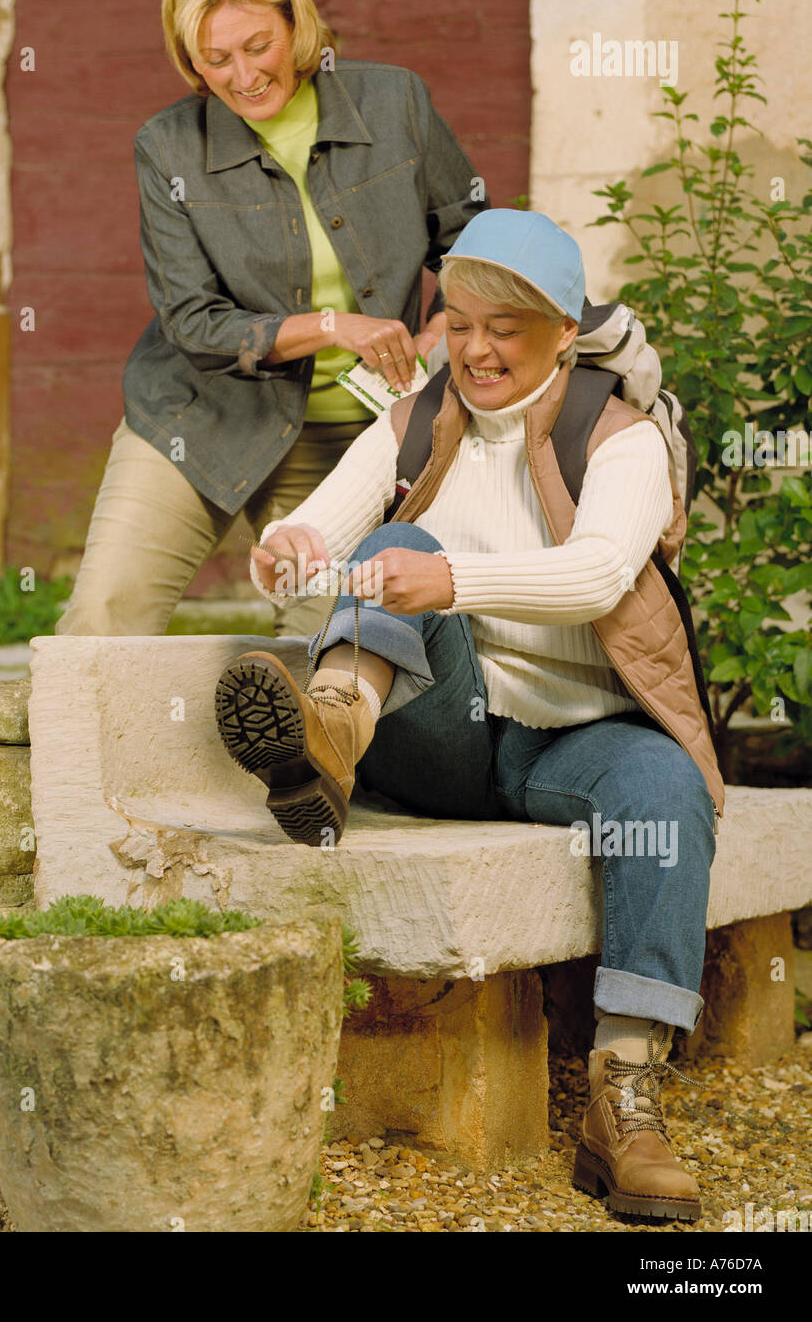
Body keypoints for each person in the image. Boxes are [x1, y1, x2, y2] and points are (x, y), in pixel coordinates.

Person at [213, 208, 725, 1222]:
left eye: (508, 329)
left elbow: (596, 574)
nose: (477, 349)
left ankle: (621, 1101)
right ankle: (327, 741)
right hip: (442, 730)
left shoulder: (614, 437)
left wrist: (447, 578)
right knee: (391, 527)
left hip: (576, 739)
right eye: (460, 322)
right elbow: (331, 519)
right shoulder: (413, 414)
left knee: (665, 787)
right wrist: (288, 546)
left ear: (563, 335)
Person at [56, 0, 484, 638]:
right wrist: (330, 327)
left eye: (258, 46)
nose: (243, 75)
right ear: (191, 63)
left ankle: (259, 748)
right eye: (215, 60)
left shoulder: (393, 102)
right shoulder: (166, 146)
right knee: (104, 617)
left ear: (296, 24)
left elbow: (470, 235)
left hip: (347, 439)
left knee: (326, 641)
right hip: (201, 416)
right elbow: (191, 318)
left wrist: (445, 327)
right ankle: (74, 751)